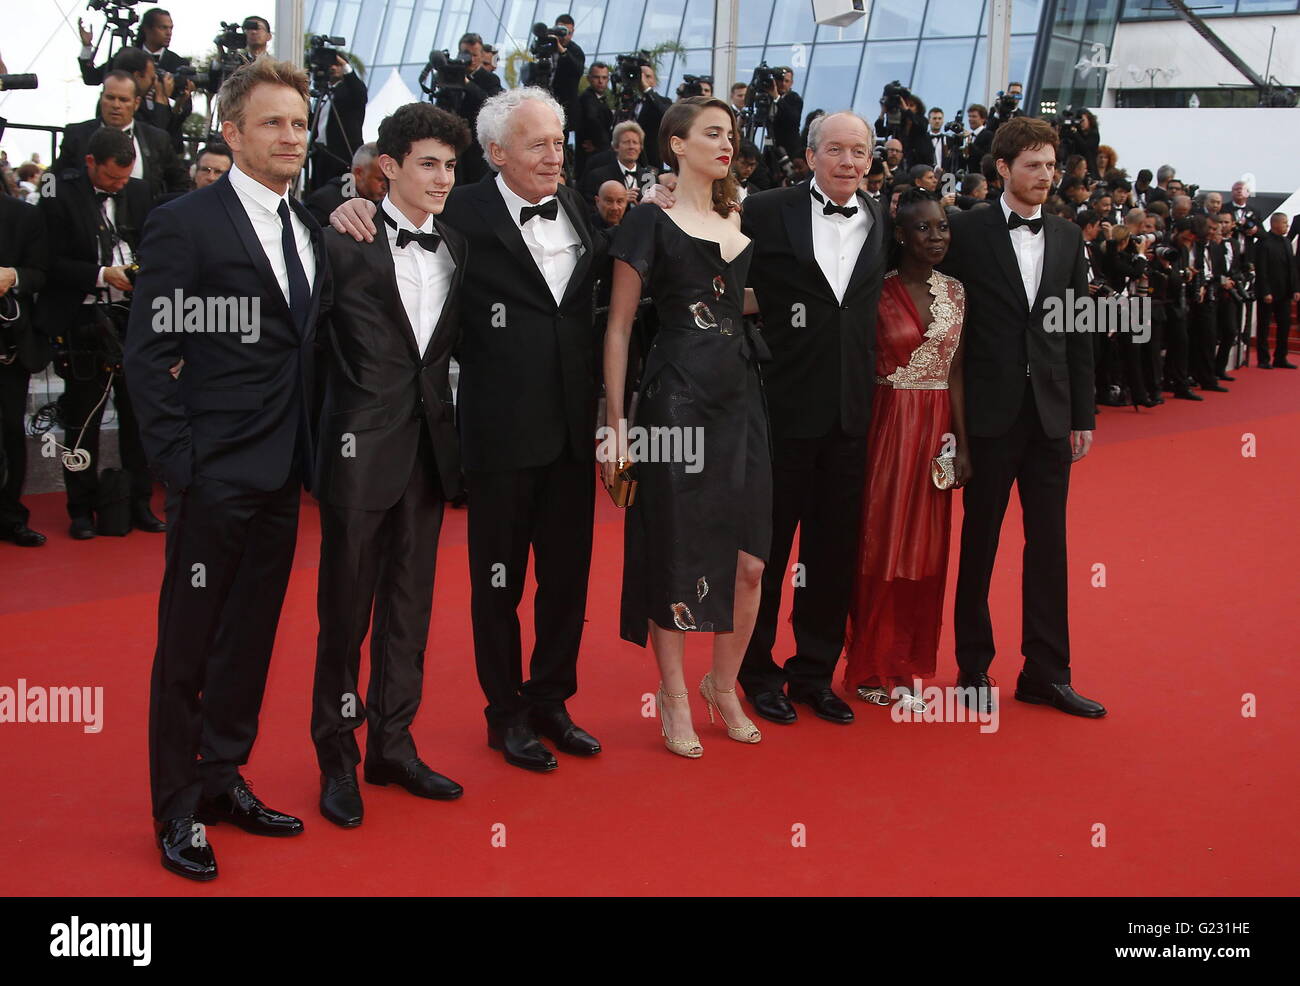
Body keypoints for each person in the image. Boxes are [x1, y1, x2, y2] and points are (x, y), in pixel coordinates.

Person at [329, 87, 608, 773]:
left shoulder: (575, 204)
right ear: (497, 153)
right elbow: (393, 216)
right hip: (499, 434)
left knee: (568, 582)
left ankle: (551, 700)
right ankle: (504, 714)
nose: (555, 153)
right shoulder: (459, 209)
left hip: (574, 431)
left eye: (559, 139)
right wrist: (347, 202)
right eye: (539, 143)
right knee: (499, 585)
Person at [125, 58, 329, 881]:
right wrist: (183, 468)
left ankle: (223, 779)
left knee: (249, 642)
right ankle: (176, 808)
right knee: (188, 648)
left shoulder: (310, 223)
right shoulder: (188, 223)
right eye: (273, 123)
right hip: (215, 478)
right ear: (233, 132)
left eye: (299, 123)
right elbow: (149, 355)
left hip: (284, 476)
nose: (290, 137)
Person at [312, 103, 471, 829]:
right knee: (344, 615)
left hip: (427, 456)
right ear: (390, 167)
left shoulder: (459, 249)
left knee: (410, 611)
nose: (441, 179)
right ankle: (336, 758)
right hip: (357, 452)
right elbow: (311, 349)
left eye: (449, 166)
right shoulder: (343, 240)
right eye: (428, 164)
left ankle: (393, 745)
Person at [602, 96, 765, 757]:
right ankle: (672, 692)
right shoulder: (648, 221)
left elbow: (734, 300)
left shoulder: (737, 214)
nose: (727, 143)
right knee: (672, 551)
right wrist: (613, 428)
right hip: (675, 400)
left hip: (742, 400)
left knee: (750, 563)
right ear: (677, 144)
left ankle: (721, 684)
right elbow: (617, 326)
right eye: (713, 133)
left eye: (731, 133)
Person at [937, 116, 1105, 719]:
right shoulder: (965, 231)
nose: (1046, 175)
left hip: (1051, 415)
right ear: (1003, 168)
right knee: (980, 542)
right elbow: (945, 327)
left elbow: (1076, 329)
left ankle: (1046, 671)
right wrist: (948, 421)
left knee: (1049, 545)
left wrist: (1081, 410)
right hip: (987, 413)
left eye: (1052, 165)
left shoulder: (1066, 236)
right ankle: (973, 666)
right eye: (1033, 165)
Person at [845, 189, 968, 708]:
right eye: (924, 228)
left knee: (926, 551)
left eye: (942, 227)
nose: (936, 237)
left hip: (936, 429)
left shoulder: (958, 292)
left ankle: (906, 664)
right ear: (901, 235)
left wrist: (960, 443)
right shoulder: (876, 290)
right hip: (888, 426)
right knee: (880, 546)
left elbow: (956, 372)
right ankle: (868, 666)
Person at [37, 129, 162, 539]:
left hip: (133, 320)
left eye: (125, 179)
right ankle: (81, 508)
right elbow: (47, 263)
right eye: (112, 179)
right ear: (90, 163)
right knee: (82, 420)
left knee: (138, 418)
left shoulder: (141, 193)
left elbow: (157, 246)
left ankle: (139, 502)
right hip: (83, 321)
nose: (120, 186)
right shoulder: (60, 193)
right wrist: (99, 274)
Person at [55, 70, 190, 202]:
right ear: (101, 98)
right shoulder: (76, 134)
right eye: (110, 98)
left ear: (136, 103)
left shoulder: (157, 139)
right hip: (86, 217)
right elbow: (51, 177)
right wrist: (47, 204)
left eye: (124, 100)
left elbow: (181, 183)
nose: (116, 105)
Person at [0, 190, 49, 547]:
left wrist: (13, 276)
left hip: (8, 347)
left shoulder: (21, 215)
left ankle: (10, 516)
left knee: (10, 431)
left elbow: (42, 272)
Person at [308, 52, 367, 192]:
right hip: (322, 154)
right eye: (330, 65)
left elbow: (359, 91)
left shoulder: (350, 91)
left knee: (342, 196)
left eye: (336, 65)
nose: (333, 68)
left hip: (343, 156)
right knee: (319, 195)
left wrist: (345, 65)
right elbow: (316, 125)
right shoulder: (325, 94)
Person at [1254, 212, 1299, 369]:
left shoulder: (1287, 242)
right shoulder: (1263, 242)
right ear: (1275, 224)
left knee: (1284, 325)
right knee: (1264, 326)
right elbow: (1261, 269)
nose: (1287, 226)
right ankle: (1263, 359)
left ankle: (1280, 357)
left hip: (1285, 292)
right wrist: (1266, 291)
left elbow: (1292, 268)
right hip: (1268, 293)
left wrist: (1295, 288)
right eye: (1285, 223)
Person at [304, 142, 386, 226]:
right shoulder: (323, 203)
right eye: (381, 179)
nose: (386, 186)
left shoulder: (387, 204)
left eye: (390, 180)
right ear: (359, 173)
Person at [575, 62, 614, 176]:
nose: (601, 81)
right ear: (589, 78)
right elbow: (593, 121)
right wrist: (603, 146)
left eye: (604, 78)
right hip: (589, 160)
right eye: (597, 77)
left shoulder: (603, 99)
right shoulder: (587, 99)